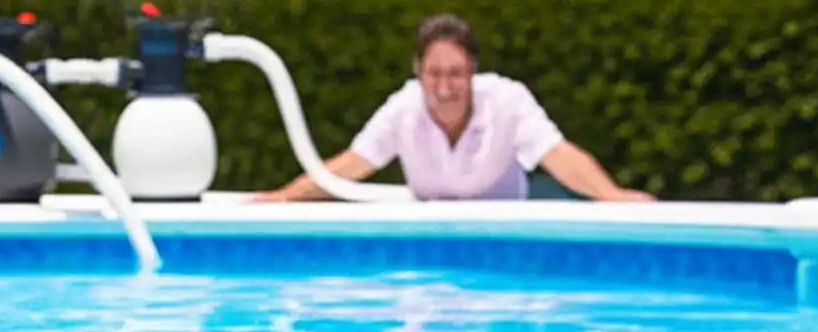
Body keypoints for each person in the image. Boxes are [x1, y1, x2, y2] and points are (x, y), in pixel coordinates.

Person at [252, 13, 655, 203]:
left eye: (456, 74)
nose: (445, 88)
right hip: (434, 252)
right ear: (418, 72)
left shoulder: (507, 100)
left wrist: (612, 195)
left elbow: (558, 155)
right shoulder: (404, 106)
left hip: (505, 251)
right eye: (434, 74)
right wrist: (283, 197)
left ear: (473, 72)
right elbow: (351, 165)